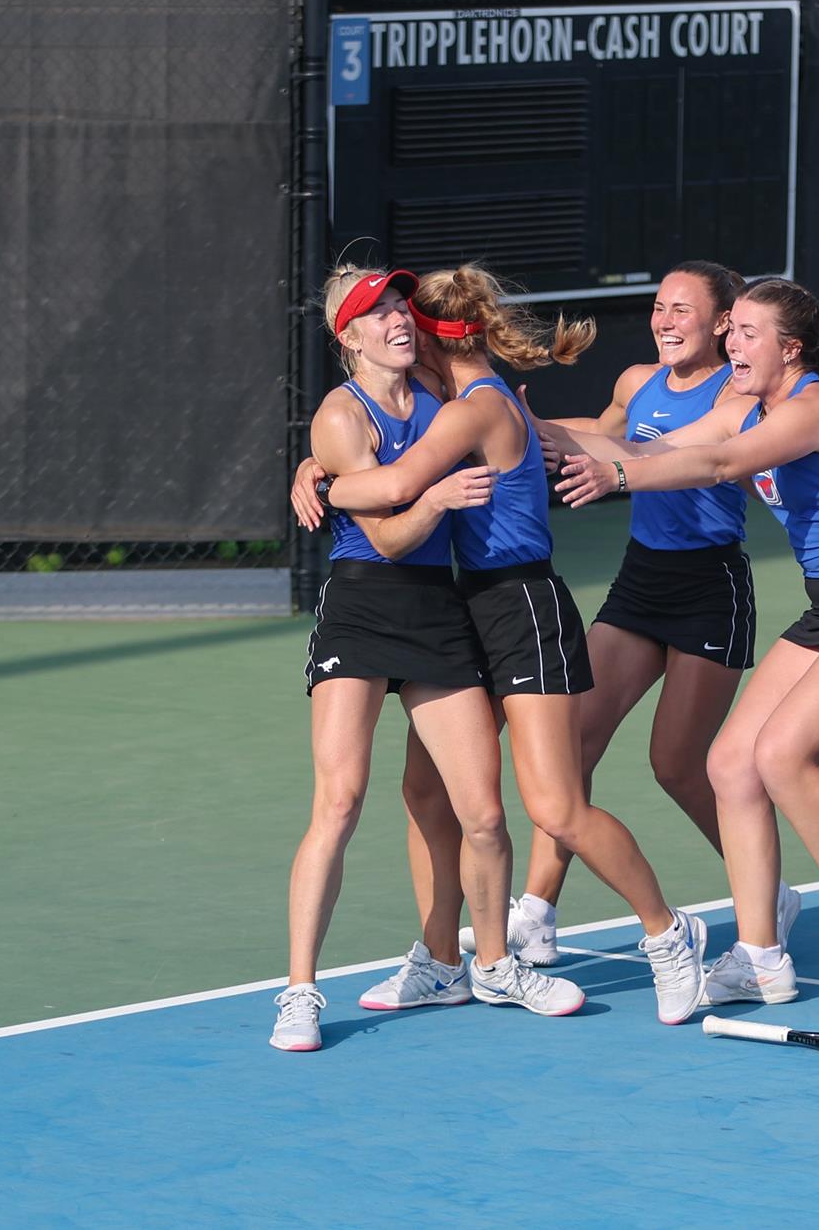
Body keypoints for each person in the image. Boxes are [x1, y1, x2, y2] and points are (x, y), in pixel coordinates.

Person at [301, 265, 708, 1025]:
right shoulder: (453, 400)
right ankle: (442, 961)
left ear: (434, 338)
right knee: (427, 791)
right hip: (468, 609)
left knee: (558, 807)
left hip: (523, 608)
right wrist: (319, 456)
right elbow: (370, 441)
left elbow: (393, 486)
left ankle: (667, 933)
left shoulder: (473, 410)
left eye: (409, 319)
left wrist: (323, 481)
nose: (399, 328)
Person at [550, 277, 819, 1014]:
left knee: (782, 754)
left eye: (746, 332)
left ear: (790, 348)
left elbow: (716, 465)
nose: (731, 343)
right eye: (730, 329)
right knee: (729, 763)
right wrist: (511, 423)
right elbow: (650, 445)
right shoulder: (745, 407)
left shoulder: (816, 405)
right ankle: (761, 957)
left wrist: (619, 476)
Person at [478, 262, 803, 962]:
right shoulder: (636, 382)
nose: (664, 320)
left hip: (710, 586)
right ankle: (536, 914)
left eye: (682, 310)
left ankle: (767, 891)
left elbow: (675, 455)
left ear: (723, 323)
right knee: (572, 745)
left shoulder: (738, 393)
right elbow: (602, 430)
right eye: (659, 307)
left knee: (677, 764)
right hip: (640, 581)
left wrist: (609, 462)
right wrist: (527, 424)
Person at [274, 265, 548, 1052]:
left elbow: (501, 418)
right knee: (340, 801)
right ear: (349, 338)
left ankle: (489, 964)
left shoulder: (437, 393)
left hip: (436, 609)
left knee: (484, 811)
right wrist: (429, 498)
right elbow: (391, 538)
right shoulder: (339, 415)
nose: (398, 319)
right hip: (363, 606)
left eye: (401, 306)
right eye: (378, 313)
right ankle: (299, 991)